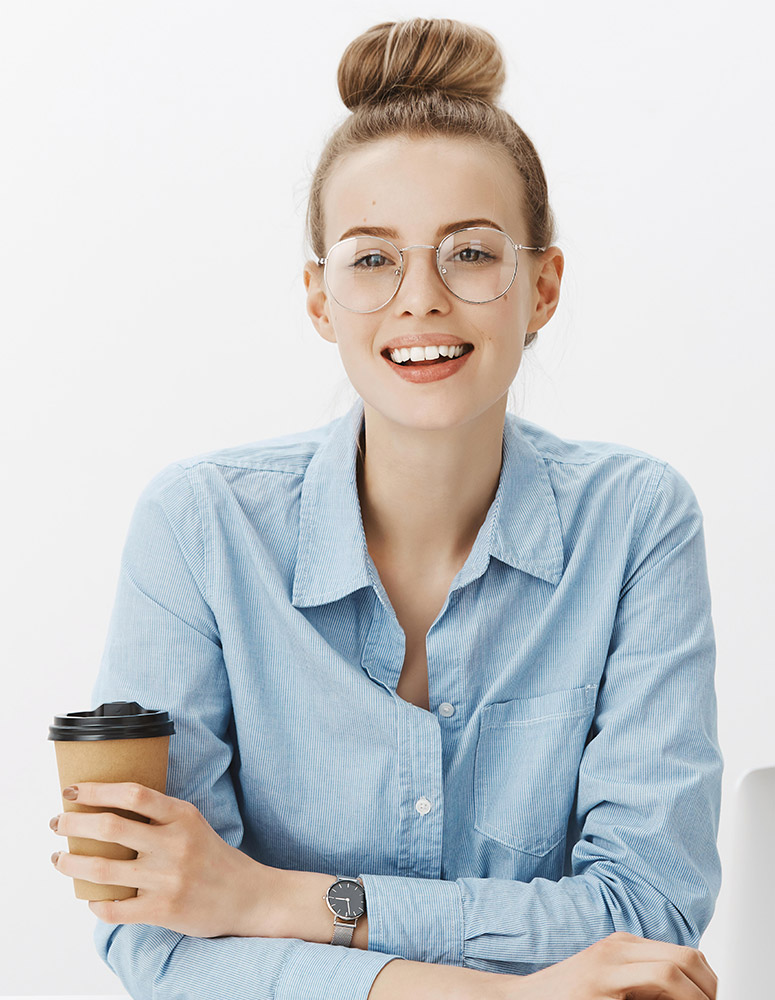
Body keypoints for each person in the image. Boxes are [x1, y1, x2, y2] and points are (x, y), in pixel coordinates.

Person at [48, 18, 721, 1000]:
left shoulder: (636, 524)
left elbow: (646, 912)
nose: (421, 300)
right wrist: (500, 994)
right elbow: (154, 933)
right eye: (371, 260)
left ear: (542, 287)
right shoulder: (198, 530)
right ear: (319, 299)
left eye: (471, 254)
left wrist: (281, 900)